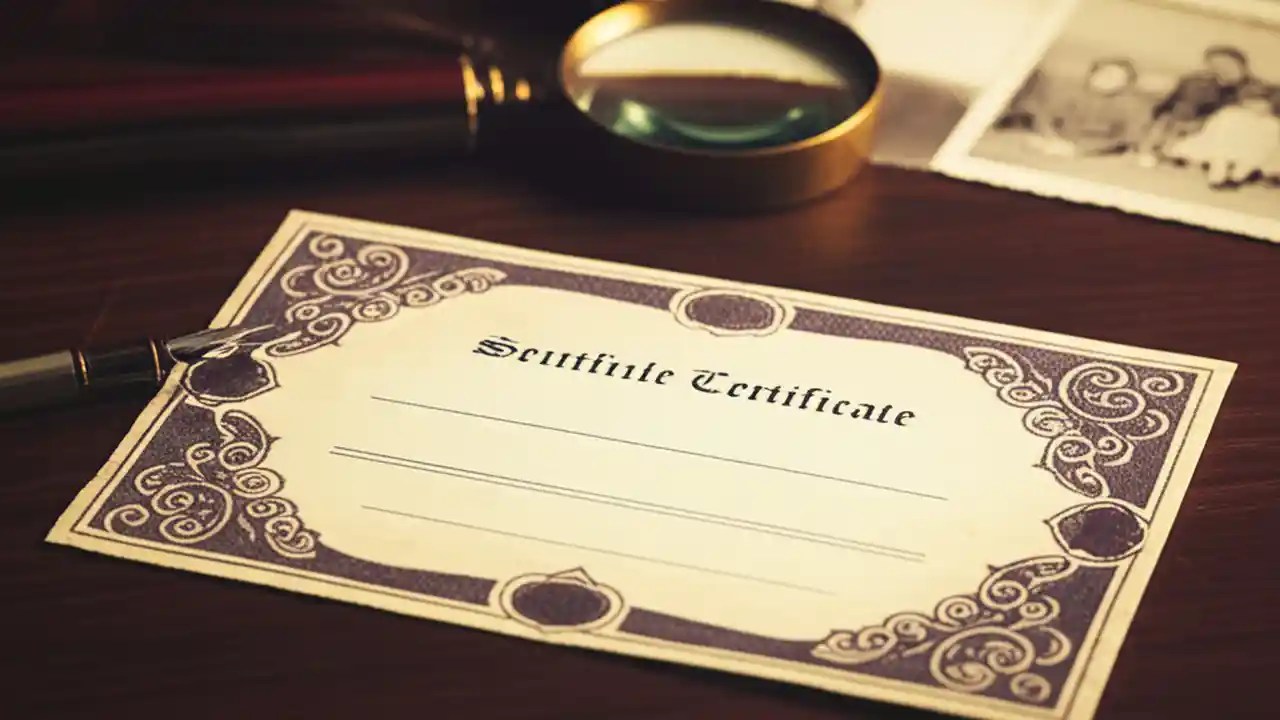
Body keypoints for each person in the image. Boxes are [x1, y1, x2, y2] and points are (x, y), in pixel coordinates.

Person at [1136, 45, 1266, 165]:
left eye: (1227, 64)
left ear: (1242, 65)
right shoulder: (1196, 82)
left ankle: (1171, 150)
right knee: (1168, 117)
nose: (1222, 69)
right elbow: (1168, 105)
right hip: (1186, 123)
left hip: (1222, 130)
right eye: (1215, 65)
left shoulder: (1255, 89)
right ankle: (1152, 149)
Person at [1025, 58, 1147, 158]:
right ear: (1093, 73)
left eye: (1116, 78)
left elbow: (1124, 140)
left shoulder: (1126, 108)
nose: (1107, 79)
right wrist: (1050, 138)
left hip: (1095, 150)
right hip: (1057, 141)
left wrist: (1082, 150)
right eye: (1105, 73)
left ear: (1125, 85)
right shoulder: (1070, 94)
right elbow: (1045, 117)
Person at [1165, 84, 1280, 188]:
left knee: (1250, 160)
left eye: (1264, 104)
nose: (1258, 107)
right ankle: (1216, 178)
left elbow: (1269, 143)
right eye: (1253, 102)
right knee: (1219, 157)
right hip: (1224, 144)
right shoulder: (1231, 114)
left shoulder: (1271, 123)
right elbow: (1215, 130)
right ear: (1244, 103)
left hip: (1253, 150)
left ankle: (1236, 178)